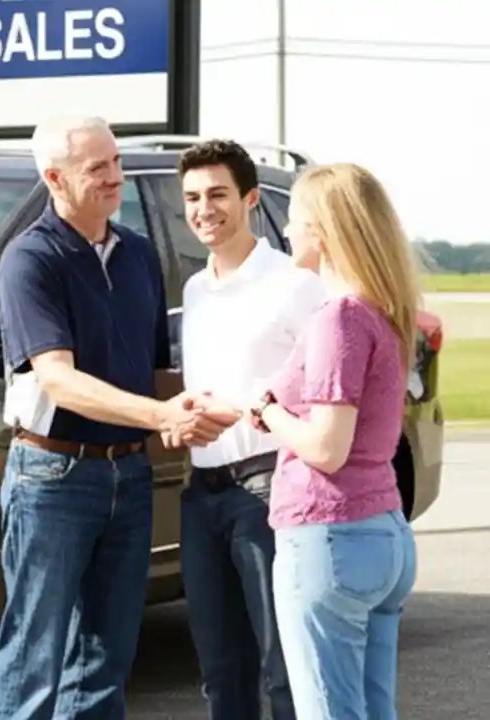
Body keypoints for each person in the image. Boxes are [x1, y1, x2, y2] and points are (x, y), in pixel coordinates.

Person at [0, 115, 239, 720]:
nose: (114, 177)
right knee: (33, 658)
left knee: (105, 660)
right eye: (96, 167)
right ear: (55, 178)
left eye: (116, 161)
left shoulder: (139, 256)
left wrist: (211, 411)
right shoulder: (30, 261)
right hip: (52, 480)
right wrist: (160, 414)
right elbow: (58, 379)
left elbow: (155, 373)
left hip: (129, 479)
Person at [249, 162, 421, 720]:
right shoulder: (382, 313)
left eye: (295, 220)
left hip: (330, 537)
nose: (286, 232)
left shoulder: (338, 319)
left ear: (321, 232)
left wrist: (270, 413)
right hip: (384, 536)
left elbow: (326, 448)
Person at [174, 139, 324, 720]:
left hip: (269, 489)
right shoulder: (194, 291)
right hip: (202, 492)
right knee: (221, 673)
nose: (203, 209)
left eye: (217, 194)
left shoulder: (294, 284)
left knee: (284, 667)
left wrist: (248, 411)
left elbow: (325, 389)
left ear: (251, 198)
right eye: (191, 197)